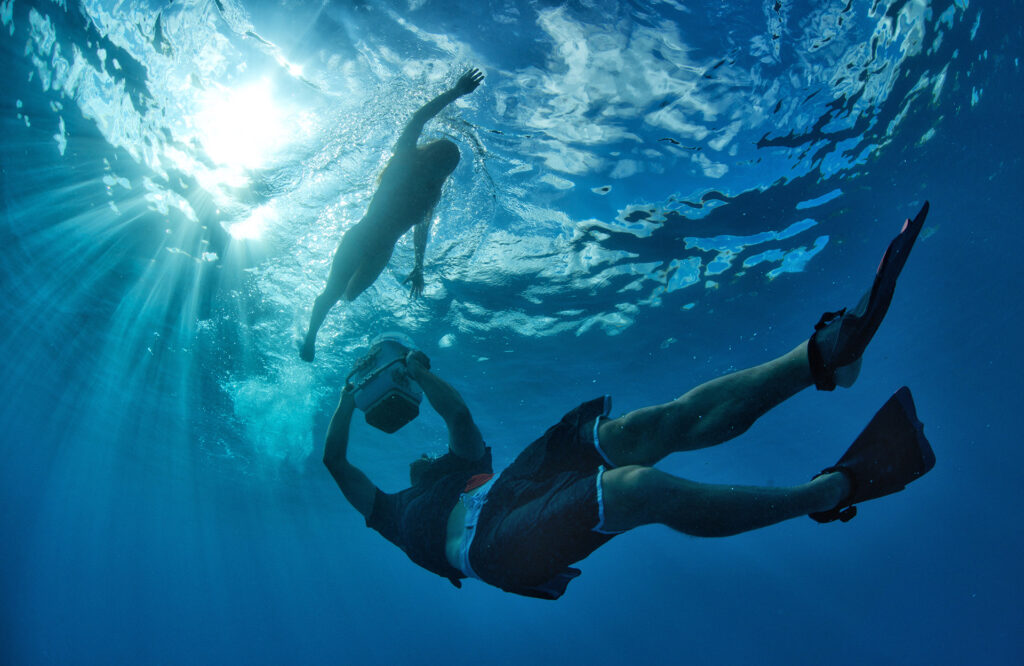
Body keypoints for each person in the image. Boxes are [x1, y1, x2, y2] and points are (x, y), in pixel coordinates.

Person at [321, 203, 934, 599]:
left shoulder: (458, 471)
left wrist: (414, 368)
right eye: (418, 465)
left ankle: (823, 356)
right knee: (635, 489)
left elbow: (455, 416)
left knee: (644, 428)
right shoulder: (393, 516)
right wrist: (351, 396)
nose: (420, 460)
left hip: (512, 487)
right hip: (493, 548)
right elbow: (337, 465)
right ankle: (830, 493)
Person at [300, 68, 485, 362]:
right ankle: (310, 337)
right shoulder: (404, 159)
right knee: (334, 292)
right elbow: (418, 119)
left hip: (382, 251)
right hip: (361, 237)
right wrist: (456, 92)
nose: (448, 163)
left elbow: (421, 230)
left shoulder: (430, 195)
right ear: (431, 152)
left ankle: (328, 303)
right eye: (445, 156)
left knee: (350, 295)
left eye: (452, 163)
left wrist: (419, 267)